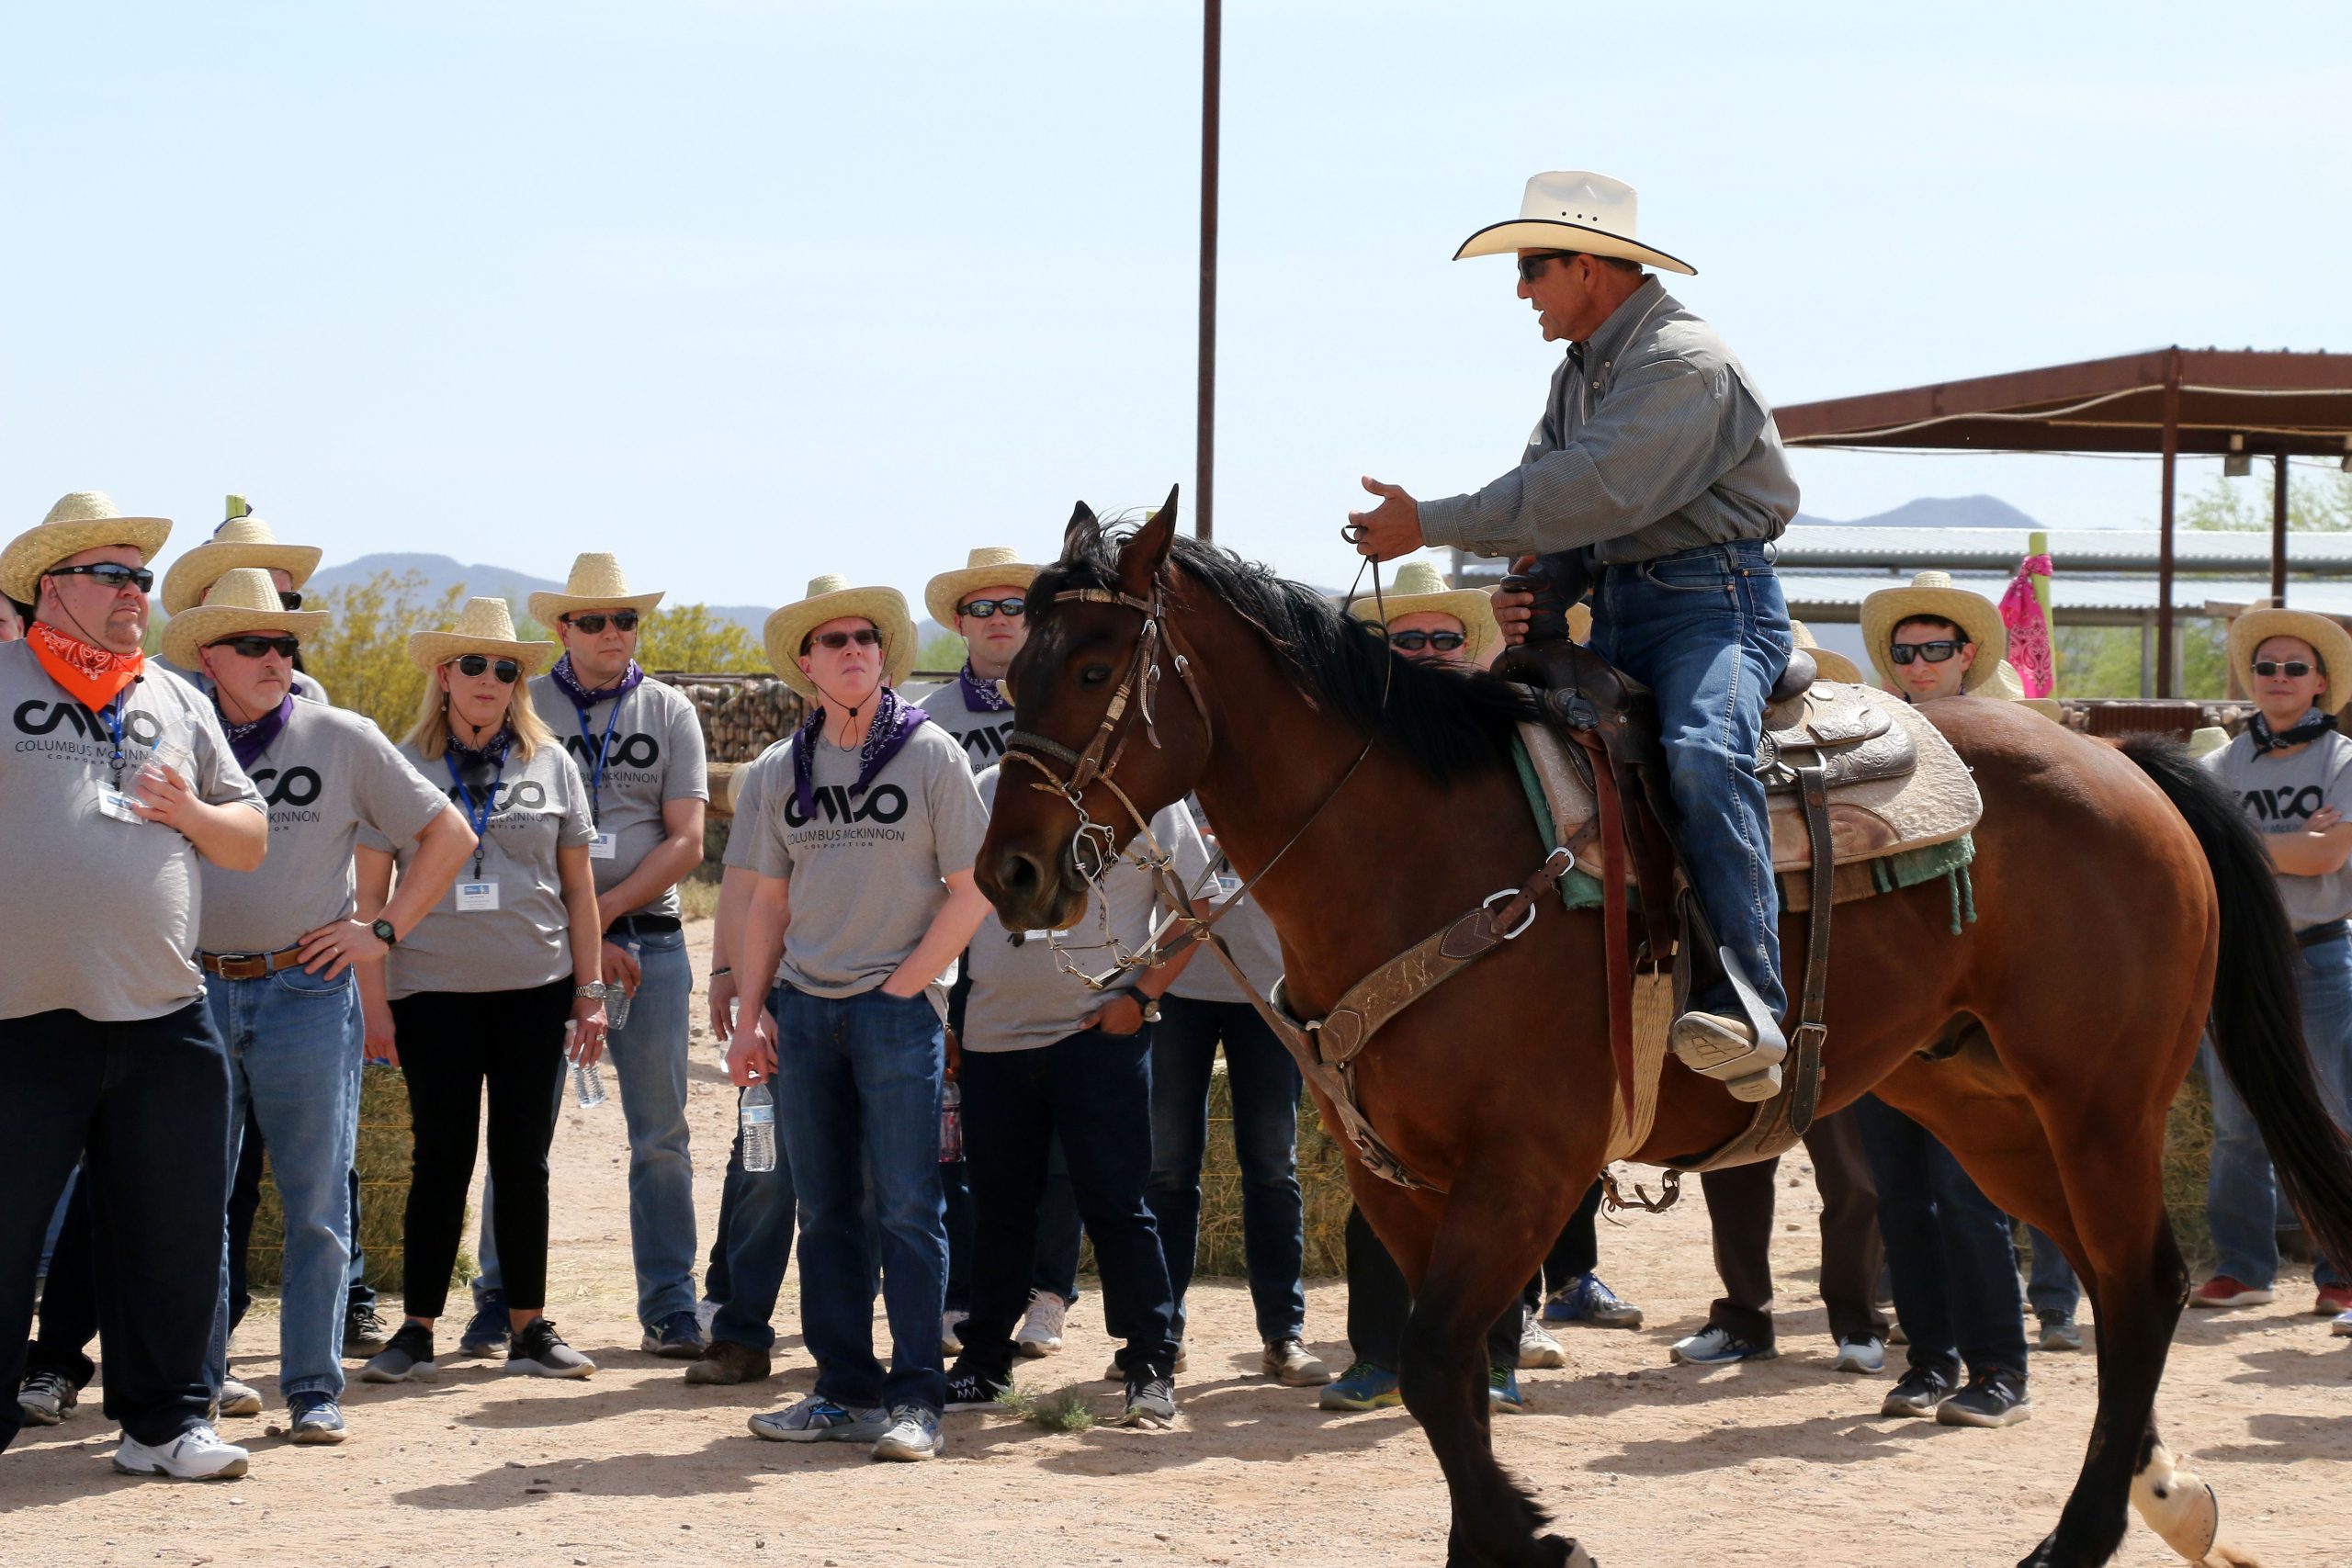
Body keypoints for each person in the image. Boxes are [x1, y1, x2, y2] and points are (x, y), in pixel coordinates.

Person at [1349, 170, 1800, 1104]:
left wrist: (1428, 521)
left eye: (1531, 269)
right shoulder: (1584, 370)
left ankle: (1754, 1000)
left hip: (1715, 607)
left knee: (1702, 753)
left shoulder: (1682, 364)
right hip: (1628, 606)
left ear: (1588, 268)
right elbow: (1560, 509)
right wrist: (1537, 587)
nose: (1521, 291)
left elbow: (1587, 492)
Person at [1317, 562, 1635, 1414]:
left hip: (1501, 979)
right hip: (1392, 990)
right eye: (1406, 638)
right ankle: (1379, 1355)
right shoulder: (1360, 750)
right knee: (1380, 1174)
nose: (1424, 652)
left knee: (1497, 1174)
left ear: (1470, 642)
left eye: (1442, 637)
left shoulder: (1509, 729)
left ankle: (1495, 1355)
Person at [170, 570, 475, 1443]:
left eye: (285, 644)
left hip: (306, 987)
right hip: (189, 988)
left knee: (314, 1200)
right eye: (252, 644)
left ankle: (311, 1388)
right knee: (198, 1199)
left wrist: (382, 929)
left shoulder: (340, 734)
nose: (275, 658)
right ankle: (201, 1385)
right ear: (207, 656)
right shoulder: (172, 739)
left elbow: (448, 832)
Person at [0, 491, 266, 1481]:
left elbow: (248, 841)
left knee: (173, 1232)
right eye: (112, 574)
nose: (134, 593)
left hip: (162, 1013)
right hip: (19, 1015)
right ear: (52, 587)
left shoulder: (173, 696)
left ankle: (164, 1425)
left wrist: (193, 809)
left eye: (141, 577)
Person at [728, 575, 990, 1461]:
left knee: (910, 1207)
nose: (852, 650)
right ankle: (845, 1389)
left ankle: (918, 1396)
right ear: (805, 663)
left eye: (866, 638)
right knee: (826, 1208)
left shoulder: (931, 755)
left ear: (884, 656)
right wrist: (749, 1013)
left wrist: (907, 984)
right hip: (803, 1012)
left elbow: (975, 888)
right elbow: (767, 901)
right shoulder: (776, 768)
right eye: (832, 640)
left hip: (895, 1014)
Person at [447, 556, 711, 1361]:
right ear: (560, 629)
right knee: (520, 1134)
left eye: (624, 619)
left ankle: (670, 1303)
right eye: (591, 620)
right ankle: (500, 1298)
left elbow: (689, 840)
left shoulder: (669, 710)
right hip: (539, 949)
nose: (610, 633)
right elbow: (490, 820)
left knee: (661, 1131)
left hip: (651, 941)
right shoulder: (524, 700)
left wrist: (607, 917)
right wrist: (580, 937)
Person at [356, 598, 607, 1384]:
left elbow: (580, 888)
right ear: (444, 673)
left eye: (506, 668)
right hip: (429, 992)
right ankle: (417, 1328)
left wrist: (590, 990)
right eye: (475, 664)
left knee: (522, 1160)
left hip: (535, 988)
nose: (490, 679)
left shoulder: (551, 761)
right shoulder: (401, 764)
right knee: (441, 1159)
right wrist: (374, 1002)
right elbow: (369, 897)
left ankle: (529, 1326)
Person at [943, 766, 1205, 1427]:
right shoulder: (990, 786)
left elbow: (1195, 907)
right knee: (1000, 1210)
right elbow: (949, 897)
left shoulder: (1147, 795)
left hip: (1096, 1036)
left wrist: (1141, 996)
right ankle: (983, 1364)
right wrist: (951, 1014)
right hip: (991, 1037)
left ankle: (1149, 1363)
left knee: (1118, 1203)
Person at [1850, 571, 2033, 1425]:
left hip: (1969, 1004)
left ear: (1966, 656)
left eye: (1935, 649)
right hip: (1890, 1007)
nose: (1918, 663)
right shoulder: (1870, 746)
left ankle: (2000, 1370)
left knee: (1968, 1193)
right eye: (1904, 650)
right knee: (1903, 1195)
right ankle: (1928, 1361)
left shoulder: (2006, 752)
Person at [919, 545, 1088, 1359]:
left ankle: (1051, 1294)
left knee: (1060, 1145)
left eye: (1011, 606)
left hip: (1061, 930)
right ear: (958, 622)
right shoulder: (927, 720)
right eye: (980, 608)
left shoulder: (1070, 697)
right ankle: (968, 1293)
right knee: (966, 1139)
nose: (997, 621)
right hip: (968, 943)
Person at [2196, 606, 2352, 1333]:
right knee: (2235, 1122)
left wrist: (2239, 840)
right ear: (2250, 679)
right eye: (2266, 667)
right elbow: (2196, 842)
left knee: (2333, 1116)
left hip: (2320, 952)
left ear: (2320, 681)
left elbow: (2327, 859)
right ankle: (2242, 1267)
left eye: (2295, 667)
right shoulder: (2222, 763)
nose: (2279, 678)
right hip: (2239, 962)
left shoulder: (2344, 760)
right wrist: (2291, 839)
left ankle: (2342, 1270)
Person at [1145, 798, 1328, 1387]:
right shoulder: (1169, 783)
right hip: (1176, 988)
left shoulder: (1271, 771)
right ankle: (1160, 1336)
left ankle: (1283, 1335)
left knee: (1273, 1165)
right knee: (1169, 1168)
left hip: (1270, 989)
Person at [159, 500, 332, 705]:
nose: (273, 610)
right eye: (255, 593)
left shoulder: (306, 694)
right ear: (208, 598)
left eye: (286, 600)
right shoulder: (156, 685)